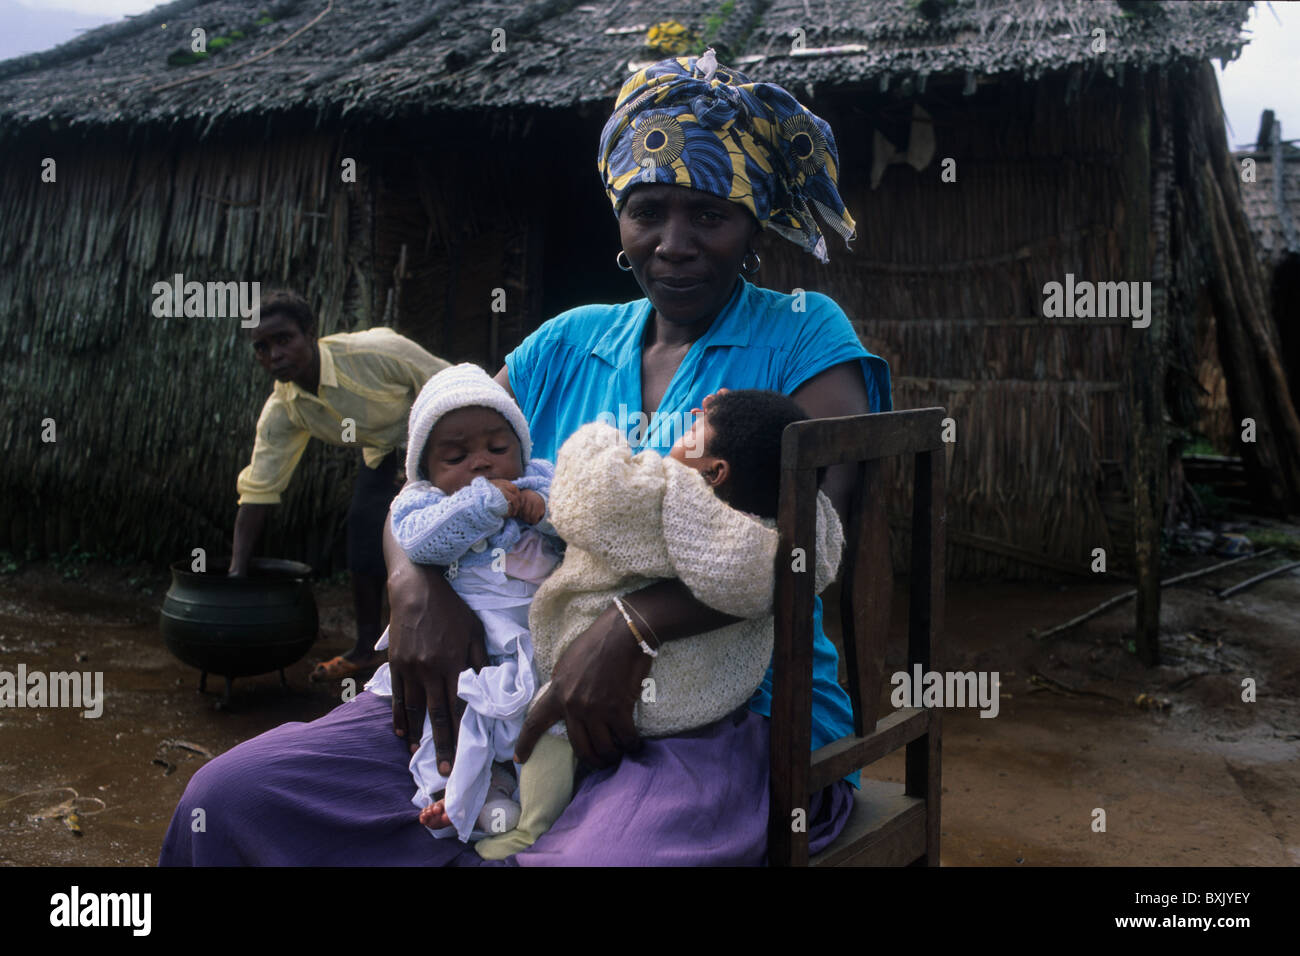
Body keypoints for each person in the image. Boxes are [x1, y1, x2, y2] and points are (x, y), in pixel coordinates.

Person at [160, 50, 891, 866]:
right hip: (509, 682)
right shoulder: (562, 344)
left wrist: (633, 627)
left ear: (751, 222)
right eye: (648, 210)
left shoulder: (803, 334)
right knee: (228, 802)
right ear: (618, 215)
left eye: (709, 215)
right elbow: (428, 475)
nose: (674, 244)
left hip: (736, 709)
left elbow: (813, 537)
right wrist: (414, 582)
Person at [473, 389, 844, 859]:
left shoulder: (670, 503)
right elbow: (822, 539)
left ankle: (529, 824)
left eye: (694, 430)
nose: (685, 426)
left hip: (600, 688)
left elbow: (585, 496)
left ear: (713, 473)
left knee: (546, 733)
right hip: (700, 700)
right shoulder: (765, 538)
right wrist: (720, 417)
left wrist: (603, 437)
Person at [367, 362, 562, 842]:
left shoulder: (539, 479)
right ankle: (452, 792)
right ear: (426, 469)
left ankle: (528, 795)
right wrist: (484, 502)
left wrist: (547, 513)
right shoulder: (424, 503)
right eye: (456, 456)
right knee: (461, 716)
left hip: (530, 641)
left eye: (498, 448)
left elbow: (586, 521)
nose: (481, 462)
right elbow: (420, 543)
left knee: (533, 725)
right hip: (462, 647)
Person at [228, 291, 448, 682]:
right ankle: (366, 650)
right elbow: (259, 489)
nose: (273, 354)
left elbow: (451, 386)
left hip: (444, 439)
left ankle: (445, 647)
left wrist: (429, 460)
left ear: (310, 333)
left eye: (283, 339)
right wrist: (235, 574)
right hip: (382, 454)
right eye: (262, 347)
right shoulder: (286, 408)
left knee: (439, 544)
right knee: (364, 540)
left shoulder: (375, 352)